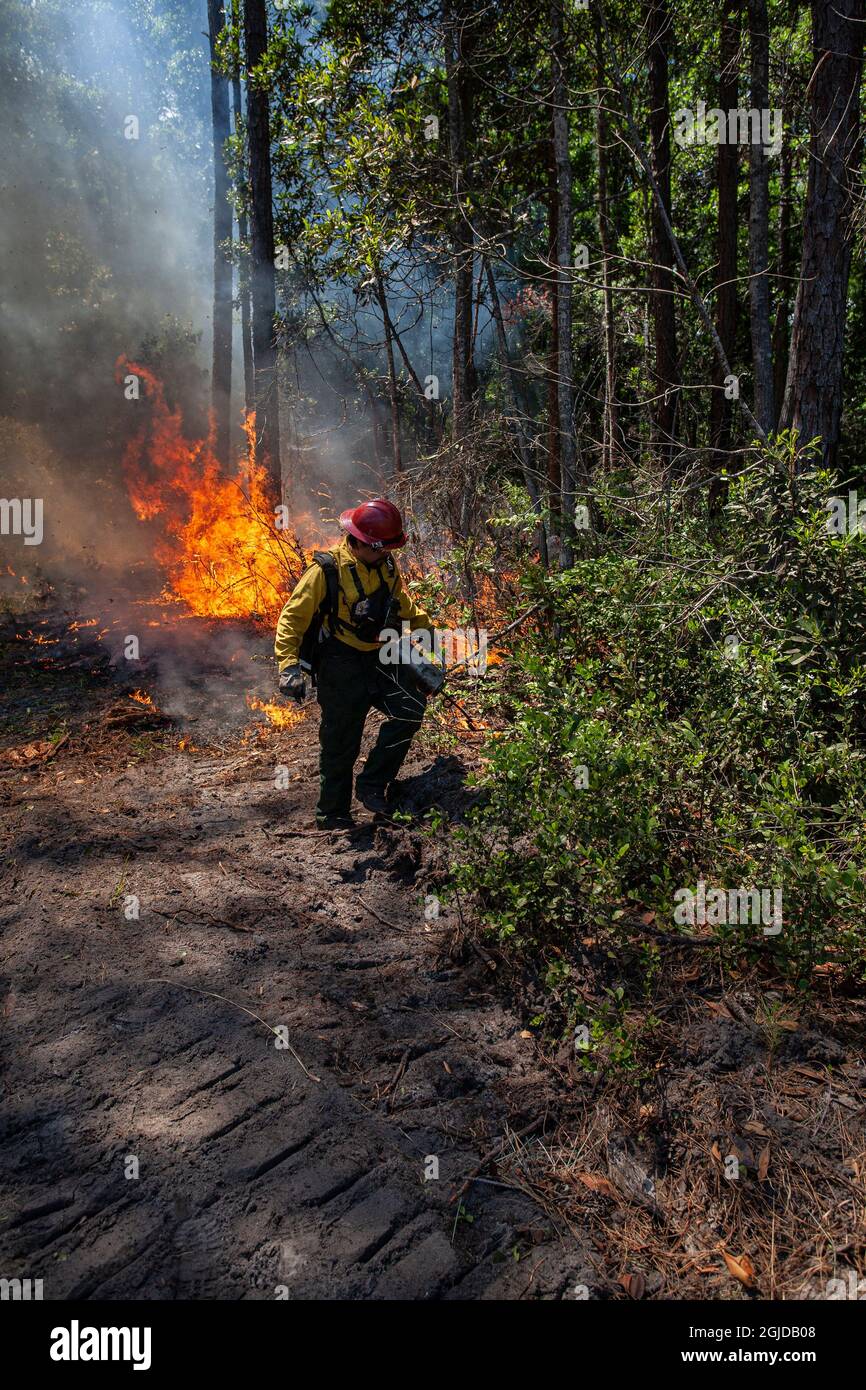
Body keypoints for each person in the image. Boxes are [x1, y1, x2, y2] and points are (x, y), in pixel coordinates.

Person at [274, 499, 435, 828]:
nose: (388, 555)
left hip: (379, 656)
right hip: (340, 663)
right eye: (382, 549)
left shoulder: (387, 567)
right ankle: (332, 815)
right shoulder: (326, 571)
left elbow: (401, 605)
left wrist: (430, 633)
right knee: (341, 742)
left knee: (410, 707)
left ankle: (373, 783)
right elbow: (292, 619)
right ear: (362, 543)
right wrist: (289, 666)